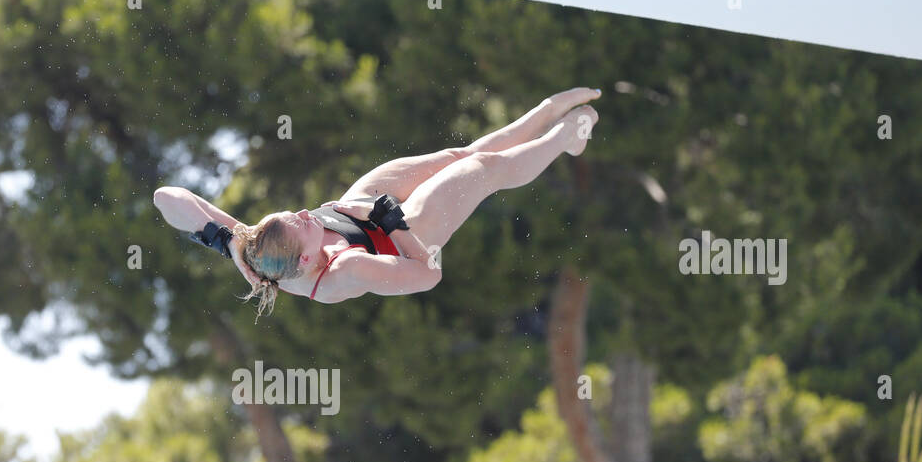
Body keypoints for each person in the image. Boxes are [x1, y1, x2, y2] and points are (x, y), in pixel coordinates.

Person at [153, 88, 601, 318]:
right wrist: (391, 220)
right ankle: (565, 137)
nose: (304, 213)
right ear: (308, 256)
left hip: (356, 208)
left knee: (458, 156)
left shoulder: (260, 248)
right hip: (406, 237)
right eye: (301, 224)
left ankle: (544, 111)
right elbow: (428, 275)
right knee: (480, 170)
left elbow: (166, 198)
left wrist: (227, 242)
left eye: (293, 213)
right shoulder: (343, 273)